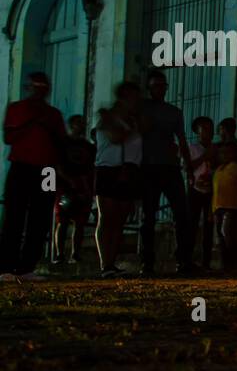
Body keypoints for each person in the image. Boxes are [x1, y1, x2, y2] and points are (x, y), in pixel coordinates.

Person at [1, 72, 65, 279]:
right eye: (36, 85)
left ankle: (28, 266)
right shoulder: (16, 109)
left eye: (43, 86)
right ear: (28, 87)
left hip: (47, 170)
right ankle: (7, 266)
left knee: (41, 217)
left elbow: (62, 143)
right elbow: (9, 138)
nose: (40, 90)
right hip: (21, 166)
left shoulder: (54, 114)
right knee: (14, 217)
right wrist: (33, 123)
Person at [137, 69, 195, 275]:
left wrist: (188, 167)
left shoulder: (174, 112)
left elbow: (182, 140)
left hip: (170, 166)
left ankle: (184, 260)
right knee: (148, 217)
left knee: (182, 214)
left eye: (163, 86)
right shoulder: (142, 107)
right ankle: (147, 262)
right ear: (149, 88)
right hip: (149, 167)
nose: (160, 89)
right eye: (156, 86)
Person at [92, 82, 143, 278]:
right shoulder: (108, 117)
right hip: (108, 169)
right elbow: (116, 137)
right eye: (132, 97)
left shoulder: (134, 119)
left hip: (129, 170)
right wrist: (130, 125)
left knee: (120, 219)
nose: (135, 102)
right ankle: (105, 264)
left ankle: (111, 264)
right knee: (107, 218)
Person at [54, 114, 95, 265]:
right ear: (71, 125)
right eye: (78, 123)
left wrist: (87, 186)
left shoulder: (88, 147)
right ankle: (59, 254)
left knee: (80, 223)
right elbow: (56, 165)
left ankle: (75, 254)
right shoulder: (63, 144)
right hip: (65, 188)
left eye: (83, 123)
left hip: (82, 189)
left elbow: (92, 168)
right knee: (62, 221)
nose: (81, 126)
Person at [211, 140, 237, 271]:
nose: (224, 155)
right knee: (221, 237)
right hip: (218, 207)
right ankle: (226, 264)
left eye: (227, 152)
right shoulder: (217, 171)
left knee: (227, 234)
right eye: (221, 153)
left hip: (231, 206)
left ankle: (234, 263)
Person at [188, 116, 216, 270]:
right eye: (204, 128)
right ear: (197, 131)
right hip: (195, 190)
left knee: (209, 226)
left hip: (211, 191)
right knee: (192, 224)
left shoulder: (215, 148)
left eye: (210, 128)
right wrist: (205, 157)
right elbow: (188, 166)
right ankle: (188, 259)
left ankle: (206, 261)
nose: (208, 131)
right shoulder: (193, 148)